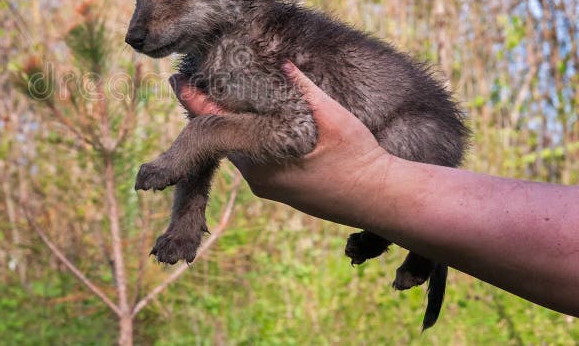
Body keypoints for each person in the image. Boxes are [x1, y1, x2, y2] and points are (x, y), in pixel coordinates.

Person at [169, 62, 579, 317]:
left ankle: (409, 244)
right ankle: (405, 241)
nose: (136, 29)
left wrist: (368, 185)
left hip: (413, 129)